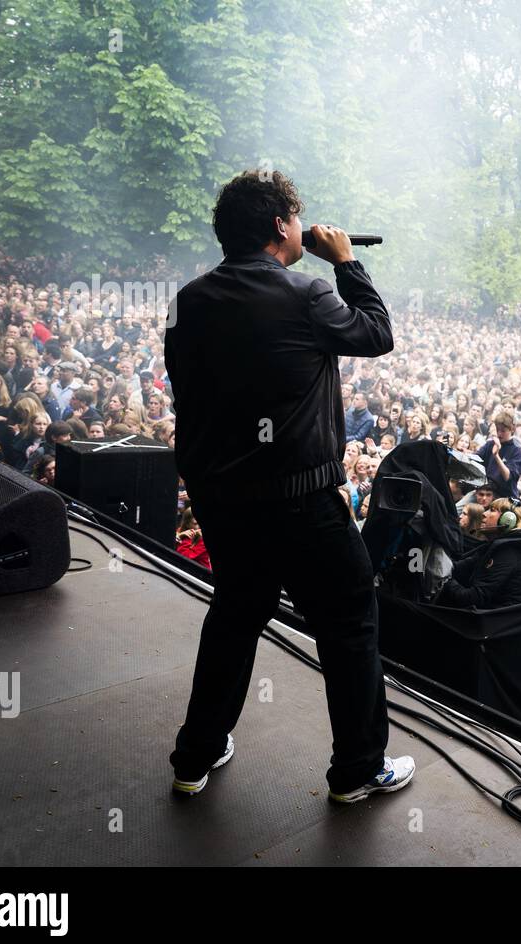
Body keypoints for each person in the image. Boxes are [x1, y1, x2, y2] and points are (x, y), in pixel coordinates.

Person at [163, 169, 413, 802]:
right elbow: (377, 334)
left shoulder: (189, 300)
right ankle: (358, 770)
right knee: (350, 624)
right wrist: (347, 264)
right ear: (281, 226)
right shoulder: (304, 295)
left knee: (235, 616)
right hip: (302, 499)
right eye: (297, 219)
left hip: (222, 499)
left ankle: (194, 757)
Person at [439, 499, 521, 609]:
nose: (484, 514)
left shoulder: (508, 553)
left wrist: (443, 578)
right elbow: (458, 567)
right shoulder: (495, 547)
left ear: (508, 520)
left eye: (492, 510)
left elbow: (473, 597)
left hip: (501, 622)